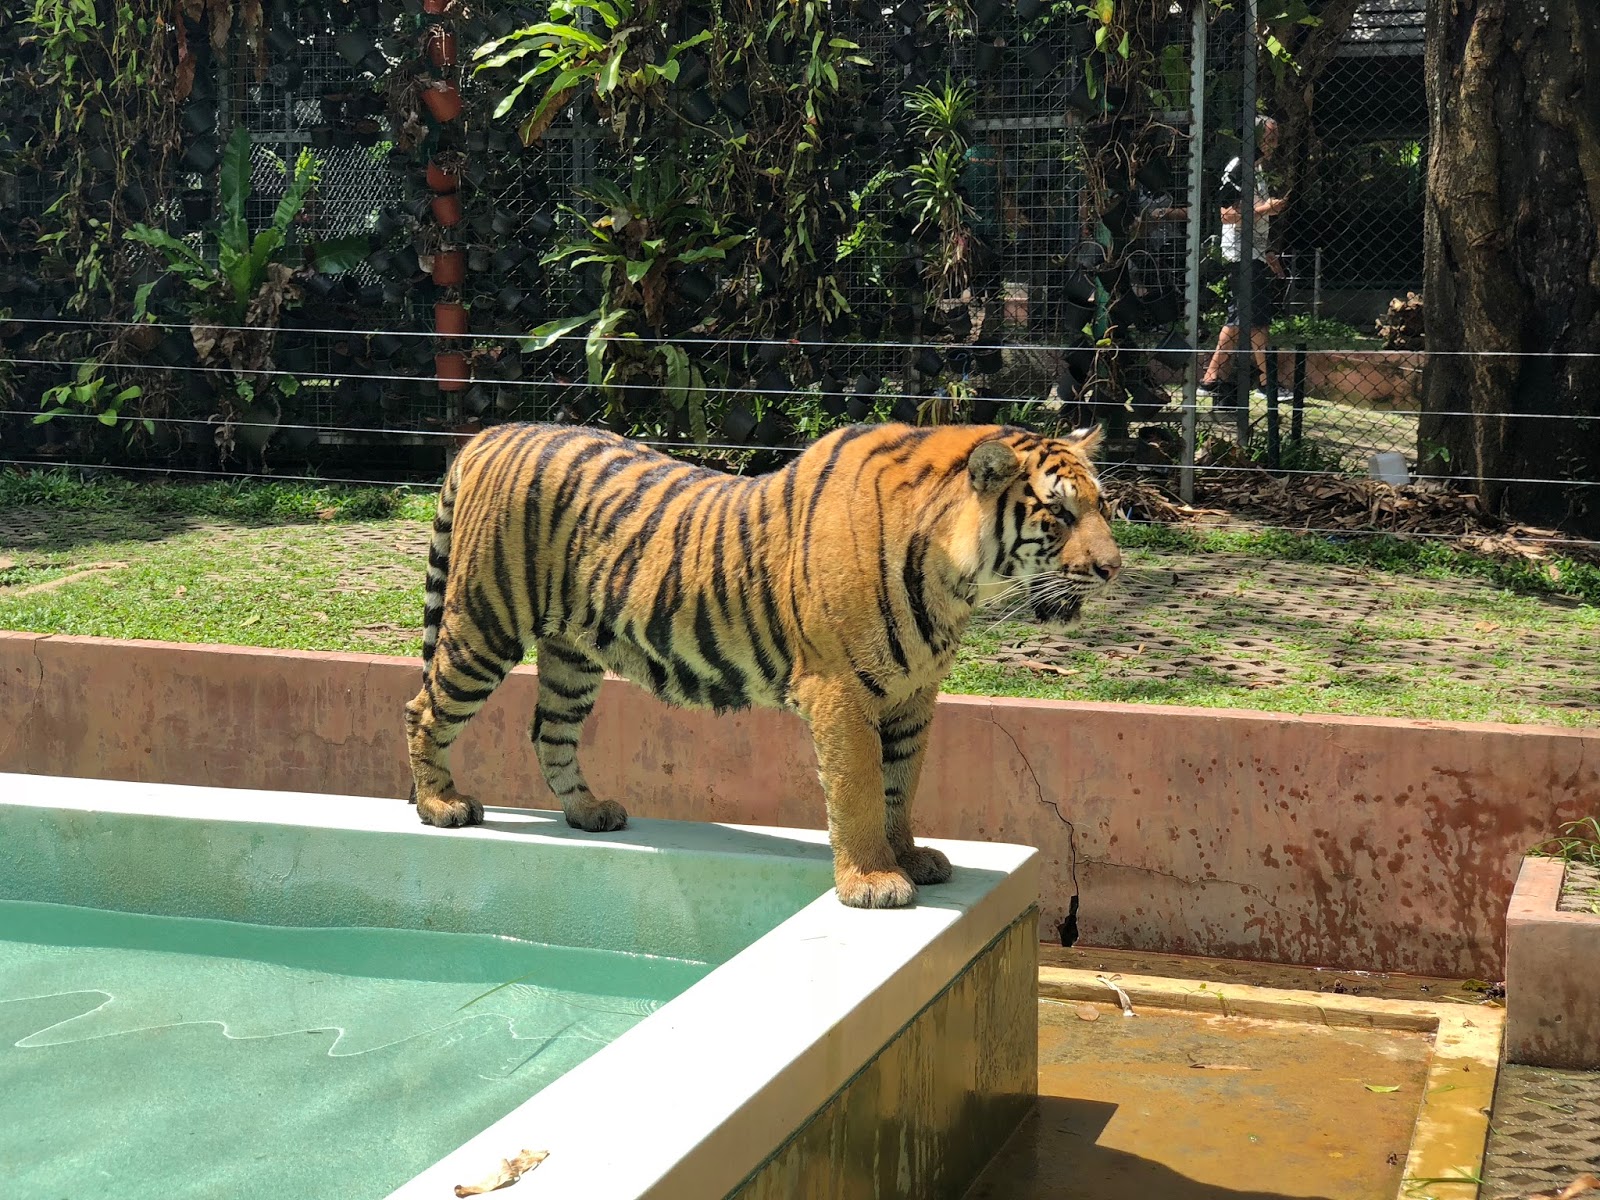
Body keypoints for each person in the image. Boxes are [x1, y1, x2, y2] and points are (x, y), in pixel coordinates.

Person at [1199, 115, 1287, 401]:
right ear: (1255, 137)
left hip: (1255, 252)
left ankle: (1212, 378)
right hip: (1240, 253)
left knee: (1242, 318)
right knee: (1254, 319)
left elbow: (1255, 215)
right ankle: (1266, 383)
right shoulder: (1239, 168)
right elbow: (1226, 215)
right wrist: (1265, 209)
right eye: (1269, 137)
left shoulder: (1258, 170)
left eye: (1275, 137)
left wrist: (1268, 252)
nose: (1274, 143)